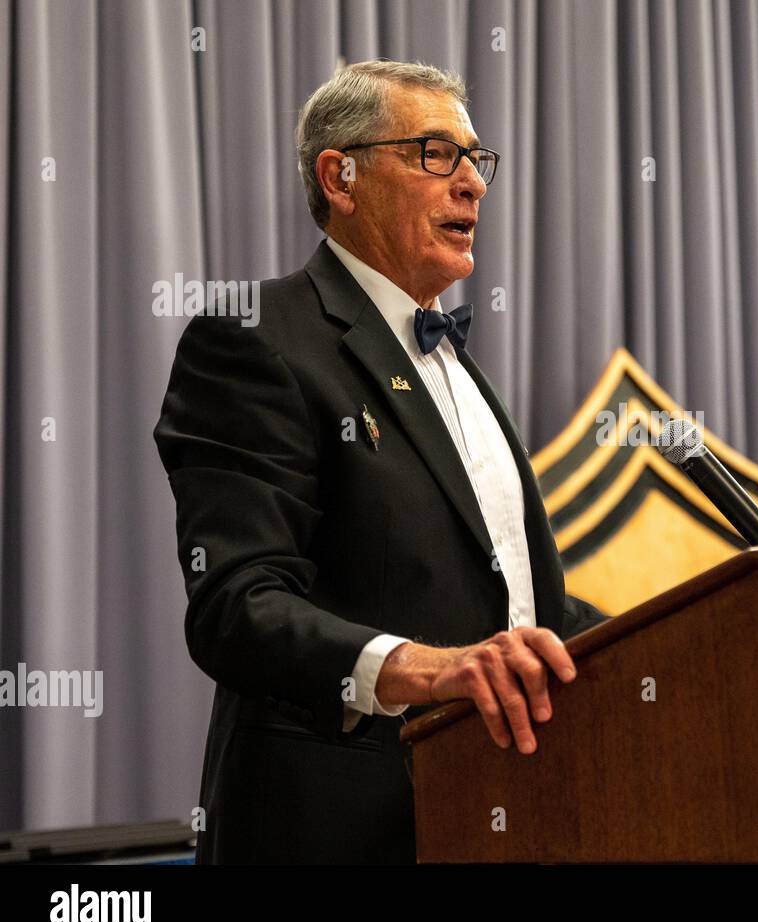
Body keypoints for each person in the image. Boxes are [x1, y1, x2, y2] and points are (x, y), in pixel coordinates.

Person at [153, 60, 606, 864]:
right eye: (436, 153)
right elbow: (236, 607)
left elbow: (524, 617)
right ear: (341, 176)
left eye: (476, 159)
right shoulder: (255, 337)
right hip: (335, 832)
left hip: (500, 818)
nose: (471, 183)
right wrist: (427, 669)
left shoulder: (462, 371)